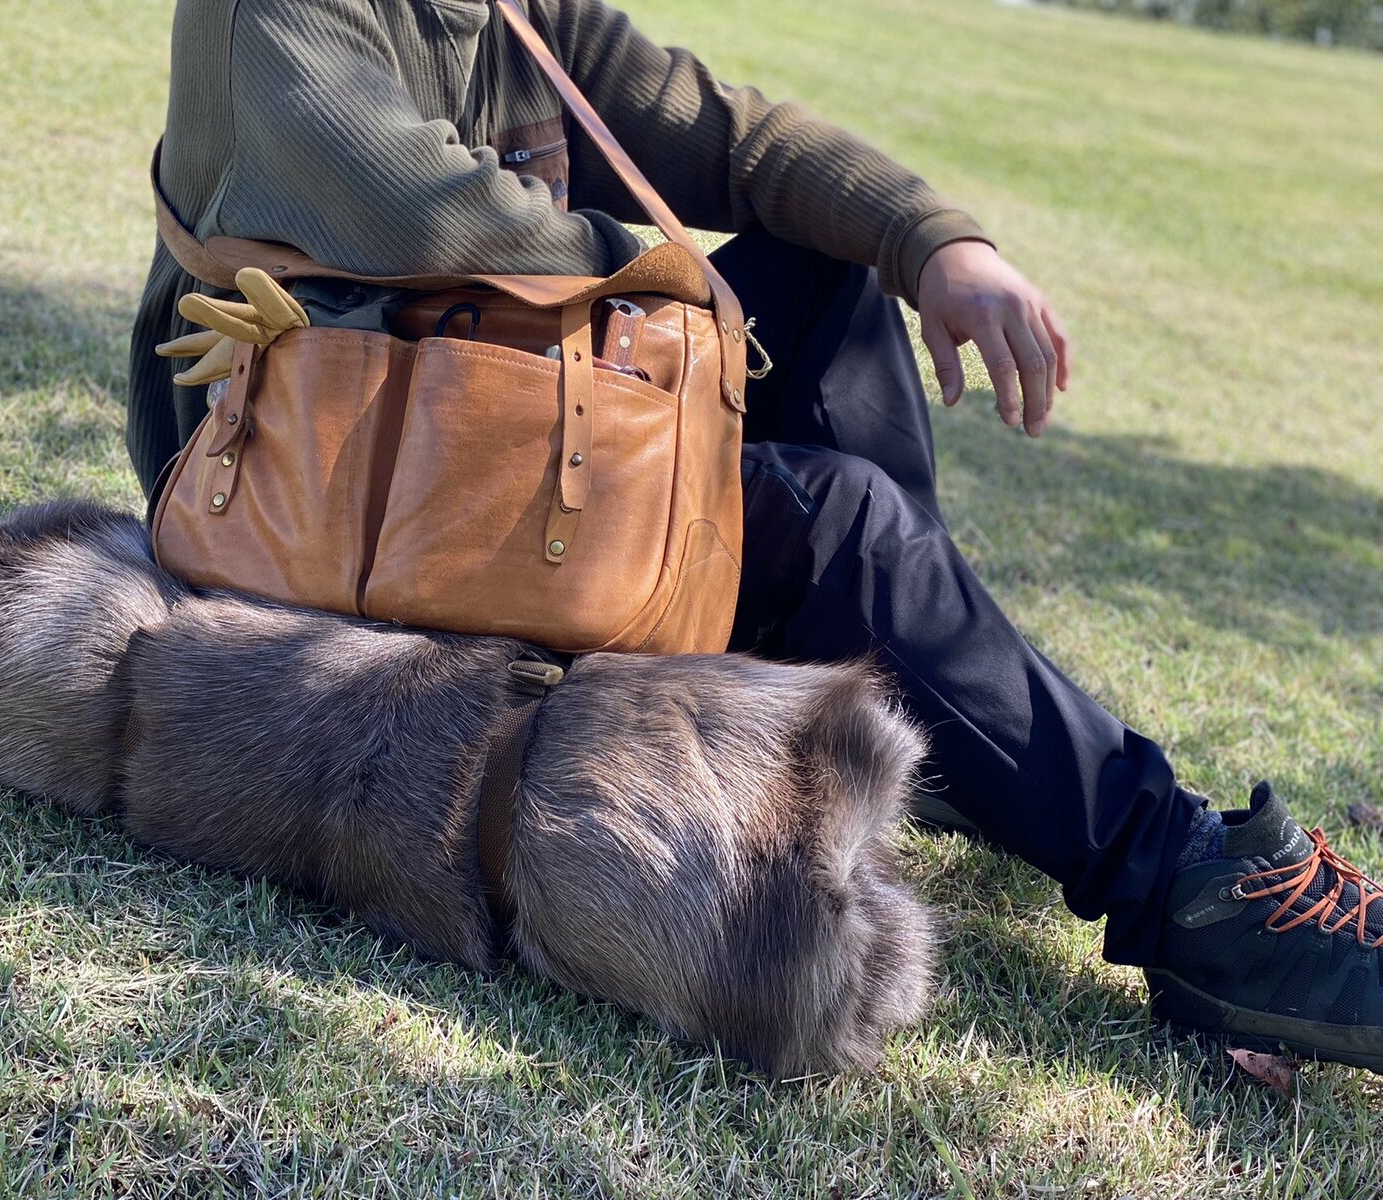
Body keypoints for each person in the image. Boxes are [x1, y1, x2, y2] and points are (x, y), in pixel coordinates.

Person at [125, 0, 1382, 1072]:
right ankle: (1185, 891)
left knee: (824, 278)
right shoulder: (273, 17)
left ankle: (930, 729)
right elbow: (442, 222)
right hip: (335, 497)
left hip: (496, 427)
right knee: (839, 523)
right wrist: (687, 298)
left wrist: (931, 239)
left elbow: (729, 133)